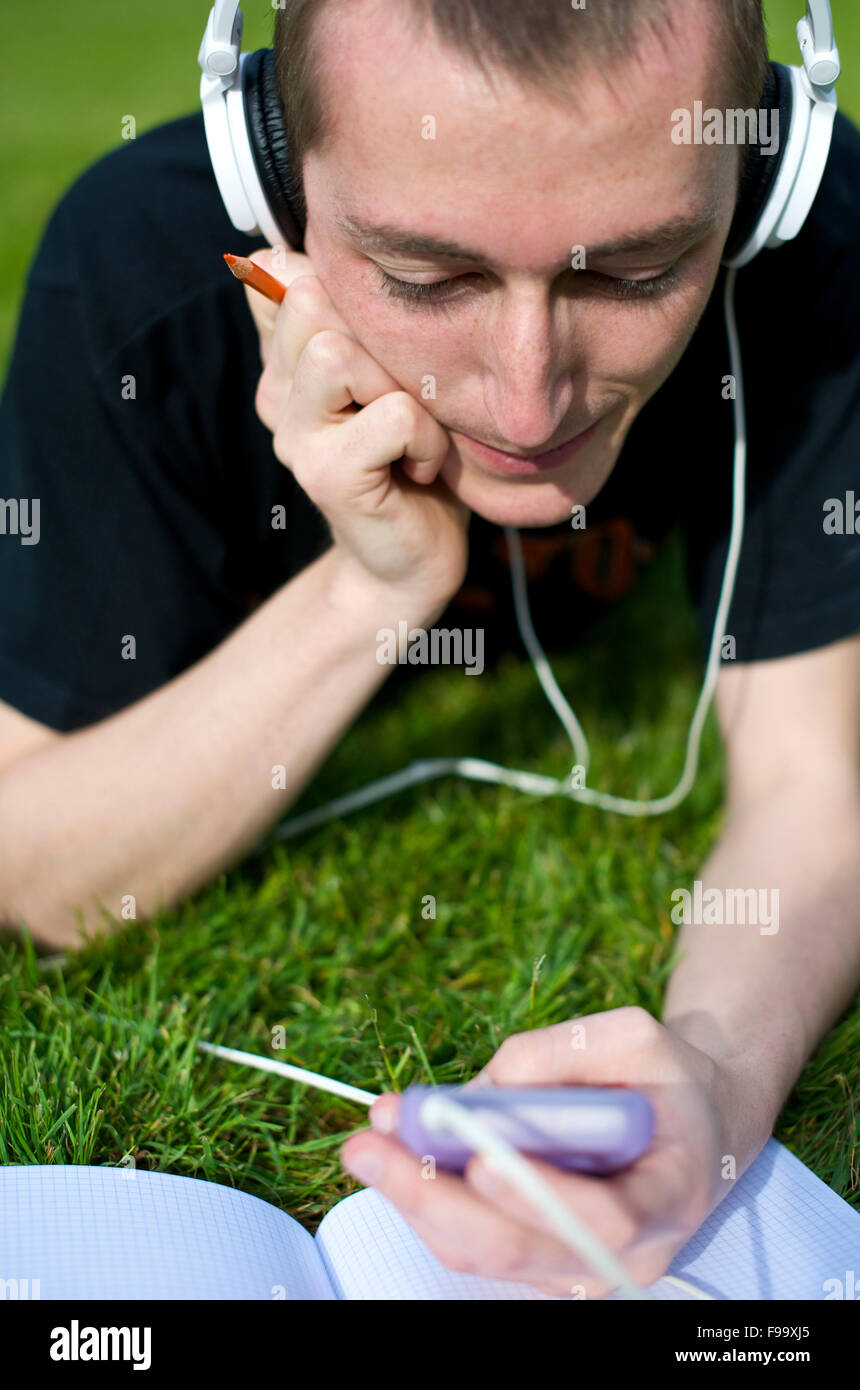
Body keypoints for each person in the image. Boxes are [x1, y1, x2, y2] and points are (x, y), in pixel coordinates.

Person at [0, 0, 858, 1295]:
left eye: (633, 274)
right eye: (423, 276)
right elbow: (35, 857)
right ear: (268, 173)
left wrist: (718, 1078)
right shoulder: (136, 270)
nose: (528, 398)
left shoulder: (826, 242)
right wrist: (371, 589)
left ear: (763, 177)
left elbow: (816, 784)